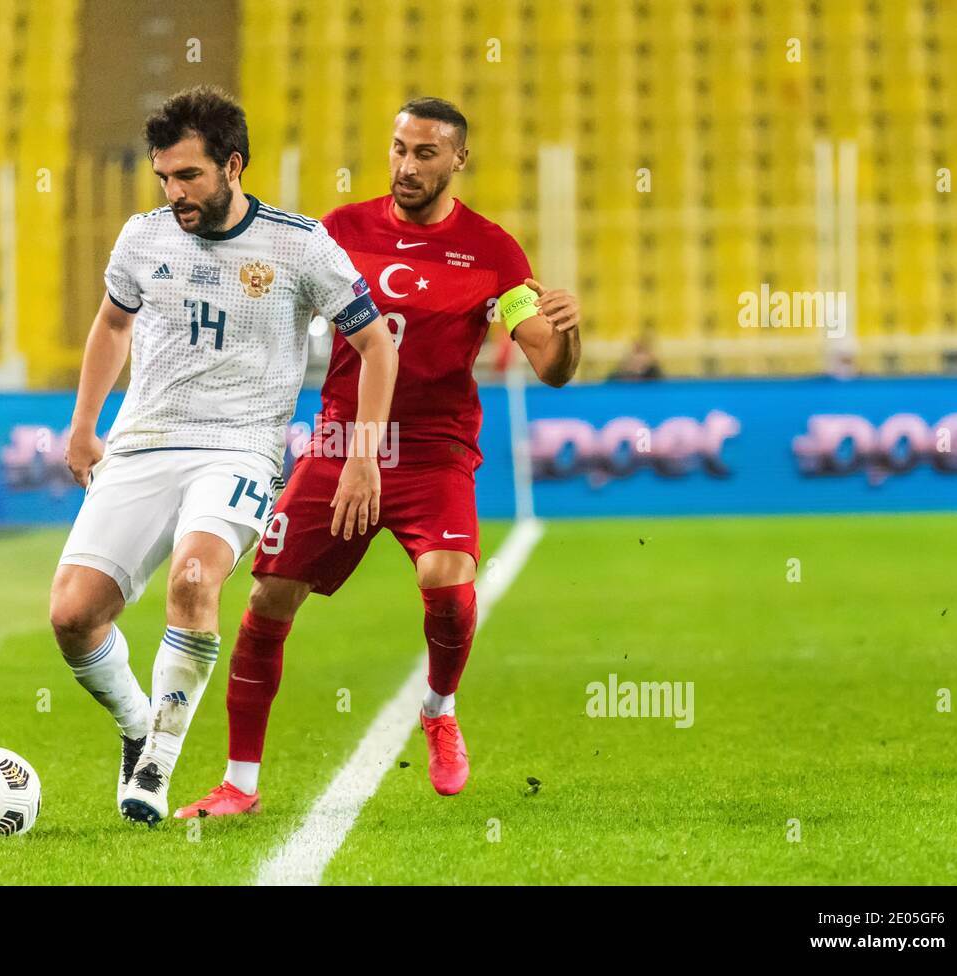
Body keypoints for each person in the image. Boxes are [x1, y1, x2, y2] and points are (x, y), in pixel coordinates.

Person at [177, 96, 581, 818]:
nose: (406, 165)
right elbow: (275, 316)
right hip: (340, 444)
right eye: (399, 148)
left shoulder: (494, 252)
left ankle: (439, 708)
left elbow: (549, 365)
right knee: (269, 598)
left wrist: (566, 333)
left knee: (449, 584)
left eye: (425, 153)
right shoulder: (338, 232)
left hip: (434, 451)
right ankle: (239, 782)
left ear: (458, 160)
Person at [48, 86, 397, 825]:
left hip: (237, 450)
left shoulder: (299, 244)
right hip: (143, 444)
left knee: (194, 576)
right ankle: (138, 724)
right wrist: (85, 424)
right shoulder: (142, 238)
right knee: (74, 617)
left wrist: (364, 454)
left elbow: (374, 343)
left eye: (189, 177)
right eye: (165, 178)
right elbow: (112, 325)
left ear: (233, 166)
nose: (175, 192)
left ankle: (157, 769)